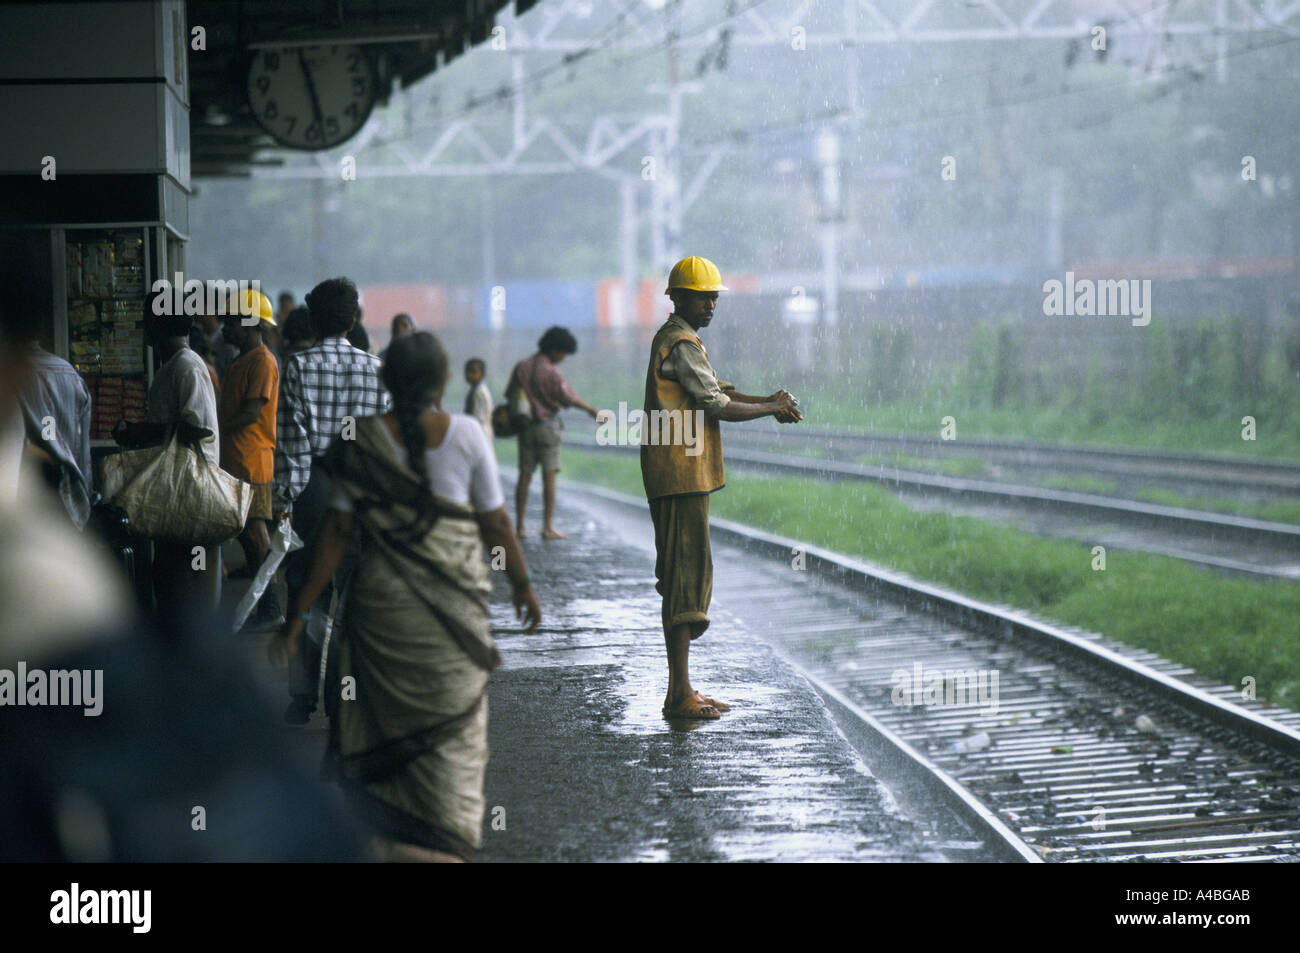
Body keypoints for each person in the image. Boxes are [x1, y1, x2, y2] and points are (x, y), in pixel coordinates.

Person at [271, 331, 539, 862]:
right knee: (454, 741)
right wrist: (522, 585)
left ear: (386, 380)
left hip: (379, 620)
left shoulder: (363, 438)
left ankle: (382, 844)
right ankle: (444, 846)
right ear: (443, 381)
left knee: (377, 735)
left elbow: (336, 534)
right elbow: (496, 522)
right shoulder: (466, 434)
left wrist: (297, 617)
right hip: (453, 625)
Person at [641, 256, 802, 720]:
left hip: (679, 474)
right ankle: (679, 694)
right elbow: (715, 404)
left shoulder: (677, 341)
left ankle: (682, 688)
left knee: (684, 573)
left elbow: (717, 390)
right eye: (701, 295)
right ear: (677, 297)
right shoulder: (681, 342)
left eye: (714, 296)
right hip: (679, 474)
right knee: (683, 575)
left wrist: (770, 399)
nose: (711, 304)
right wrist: (770, 410)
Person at [273, 276, 389, 725]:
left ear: (313, 320)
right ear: (353, 320)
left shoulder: (297, 367)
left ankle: (303, 697)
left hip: (316, 488)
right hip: (362, 487)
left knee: (308, 589)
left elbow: (293, 445)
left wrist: (286, 500)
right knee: (356, 596)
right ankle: (348, 691)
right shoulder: (377, 369)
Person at [113, 290, 223, 626]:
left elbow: (198, 428)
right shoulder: (174, 366)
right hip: (174, 492)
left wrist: (143, 432)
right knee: (169, 575)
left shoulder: (187, 366)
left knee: (180, 579)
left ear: (154, 326)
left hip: (189, 493)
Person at [218, 288, 281, 627]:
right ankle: (265, 605)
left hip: (252, 462)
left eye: (230, 322)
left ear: (250, 323)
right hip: (237, 461)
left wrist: (216, 427)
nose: (224, 328)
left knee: (257, 536)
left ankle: (270, 608)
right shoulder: (241, 360)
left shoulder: (262, 361)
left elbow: (253, 411)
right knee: (248, 535)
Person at [506, 326, 604, 539]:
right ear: (555, 349)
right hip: (547, 428)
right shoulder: (551, 372)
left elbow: (509, 394)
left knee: (524, 476)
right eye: (563, 353)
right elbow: (569, 397)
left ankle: (520, 527)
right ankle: (547, 527)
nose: (563, 358)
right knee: (548, 478)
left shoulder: (521, 367)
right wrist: (592, 410)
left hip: (525, 427)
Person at [18, 334, 93, 529]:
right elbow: (83, 454)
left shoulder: (12, 376)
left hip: (26, 507)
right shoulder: (70, 374)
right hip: (70, 506)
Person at [463, 357, 492, 435]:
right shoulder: (476, 390)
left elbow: (477, 418)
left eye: (473, 372)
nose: (469, 375)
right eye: (467, 372)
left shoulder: (479, 392)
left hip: (479, 433)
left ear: (482, 374)